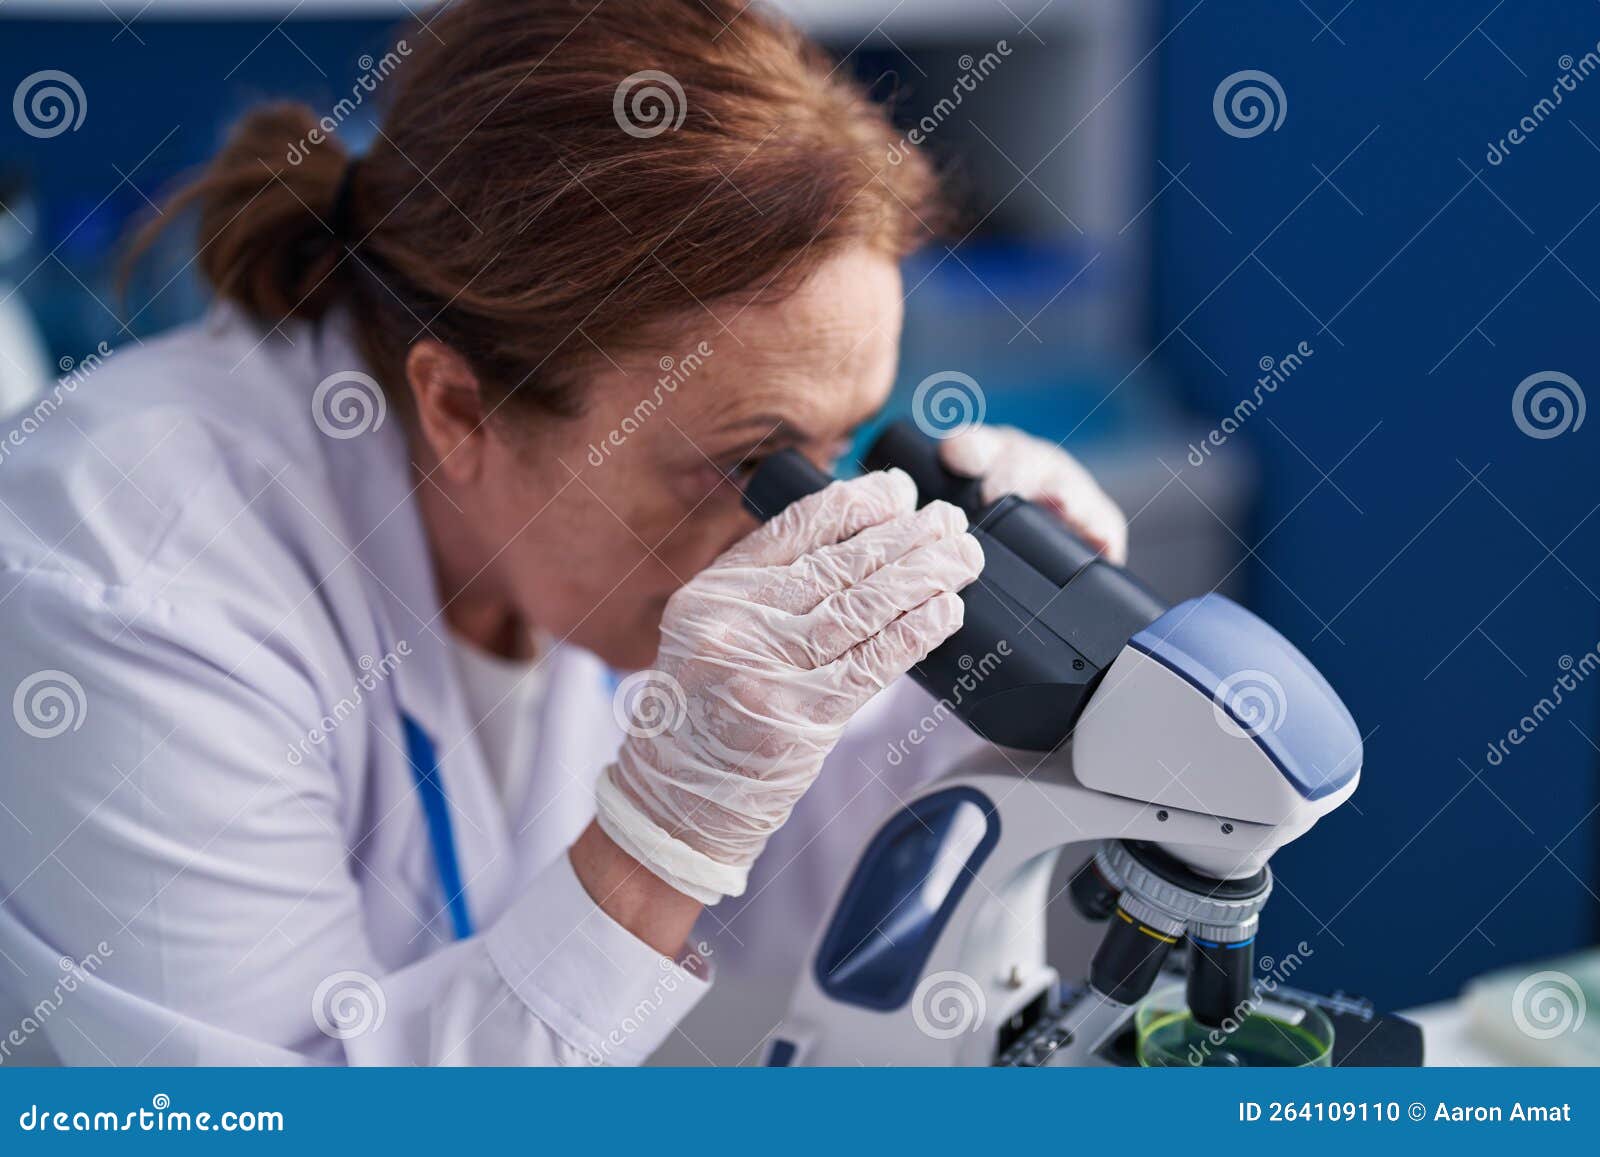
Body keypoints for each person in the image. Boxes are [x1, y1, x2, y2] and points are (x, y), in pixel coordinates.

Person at [0, 0, 1125, 1066]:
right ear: (458, 405)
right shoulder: (126, 578)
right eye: (753, 463)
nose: (793, 524)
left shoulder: (571, 518)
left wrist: (1008, 698)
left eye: (841, 446)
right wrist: (660, 839)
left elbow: (805, 886)